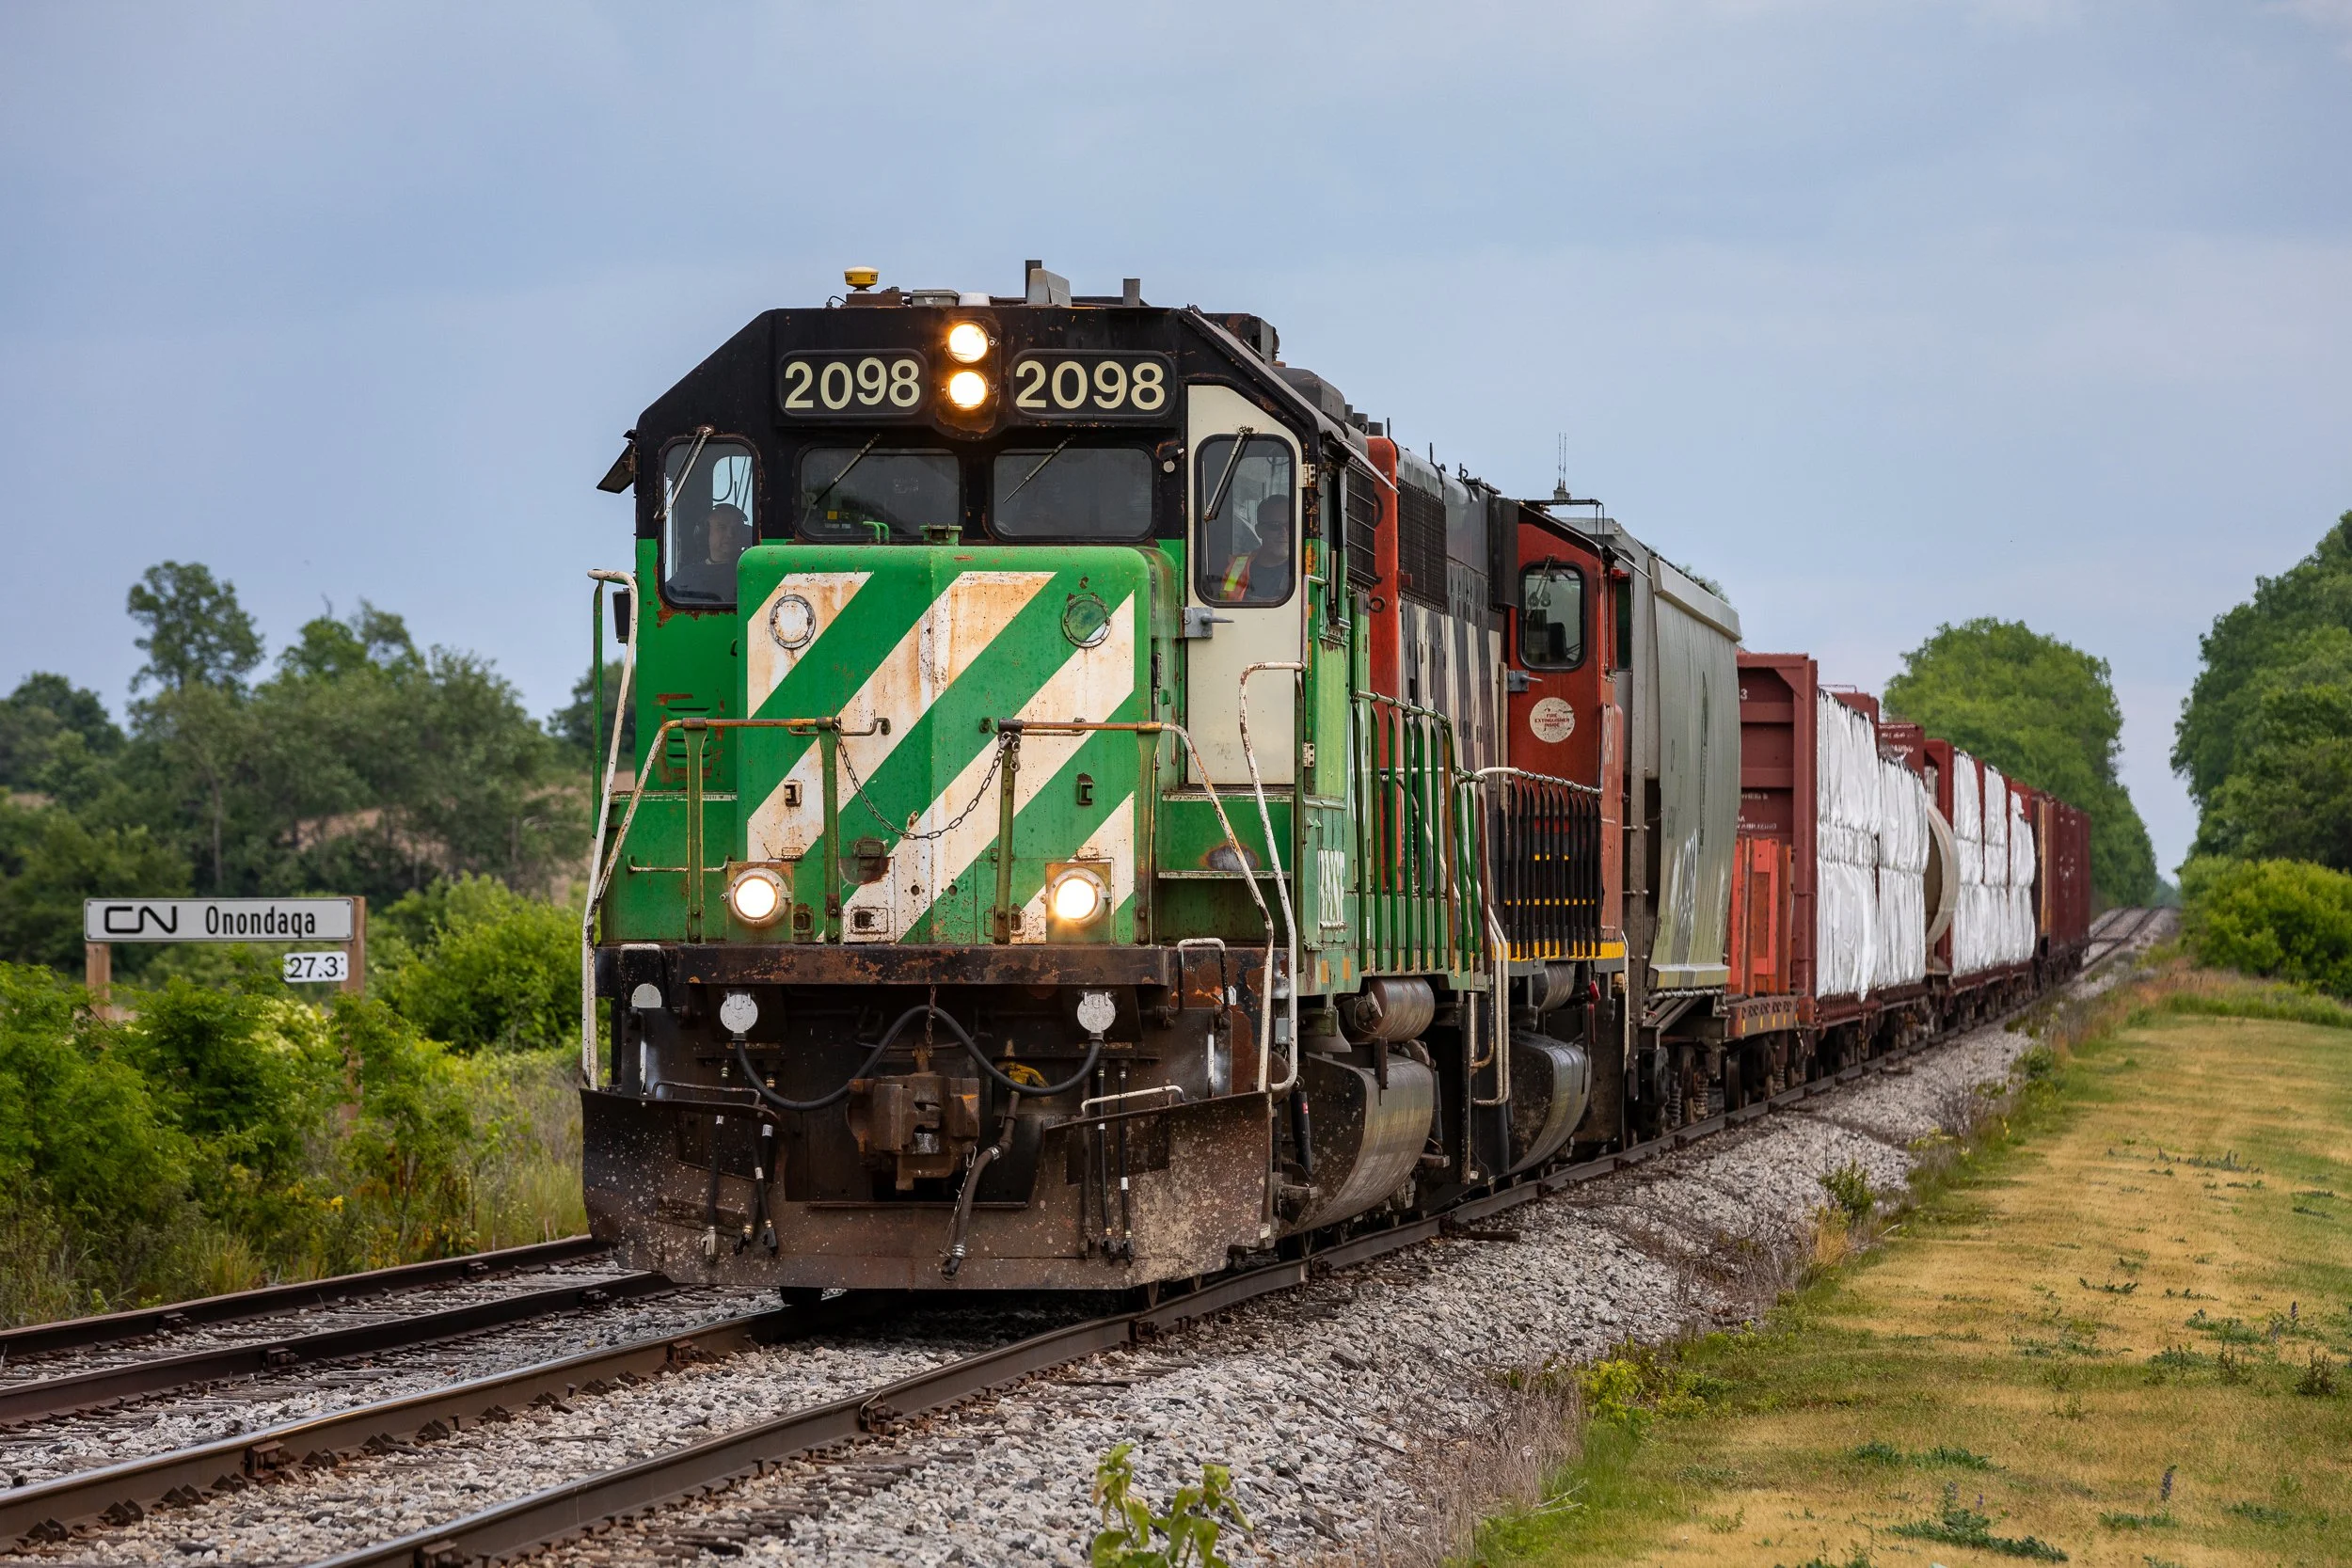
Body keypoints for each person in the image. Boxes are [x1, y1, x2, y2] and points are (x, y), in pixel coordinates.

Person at [1216, 494, 1292, 603]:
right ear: (1259, 530)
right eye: (1274, 526)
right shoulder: (1235, 567)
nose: (1284, 533)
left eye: (1290, 526)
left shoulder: (1307, 568)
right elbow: (1224, 604)